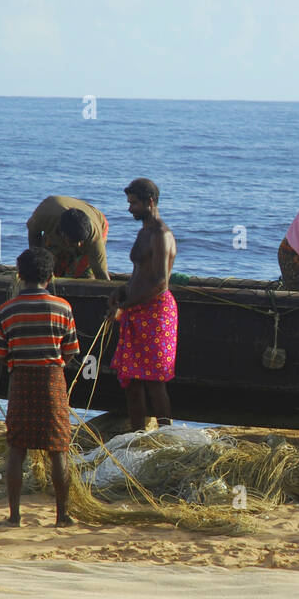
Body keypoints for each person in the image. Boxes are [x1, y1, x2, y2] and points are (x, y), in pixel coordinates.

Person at [0, 247, 80, 527]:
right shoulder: (63, 307)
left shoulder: (6, 310)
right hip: (53, 381)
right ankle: (62, 515)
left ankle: (15, 516)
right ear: (50, 276)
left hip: (20, 380)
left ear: (19, 275)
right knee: (58, 448)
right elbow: (71, 351)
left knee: (17, 447)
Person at [108, 178, 178, 431]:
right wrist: (123, 290)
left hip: (156, 312)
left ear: (150, 202)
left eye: (134, 203)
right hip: (135, 309)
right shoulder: (143, 232)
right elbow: (141, 274)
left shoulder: (162, 235)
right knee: (132, 379)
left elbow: (161, 282)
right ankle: (136, 434)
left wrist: (124, 307)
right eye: (129, 203)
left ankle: (166, 433)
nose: (130, 209)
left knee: (154, 380)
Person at [27, 195, 111, 280]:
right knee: (49, 267)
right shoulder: (44, 215)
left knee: (83, 273)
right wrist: (37, 262)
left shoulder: (94, 237)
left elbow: (100, 271)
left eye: (81, 241)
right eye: (74, 241)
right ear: (62, 234)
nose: (78, 245)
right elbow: (33, 234)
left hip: (97, 221)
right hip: (54, 219)